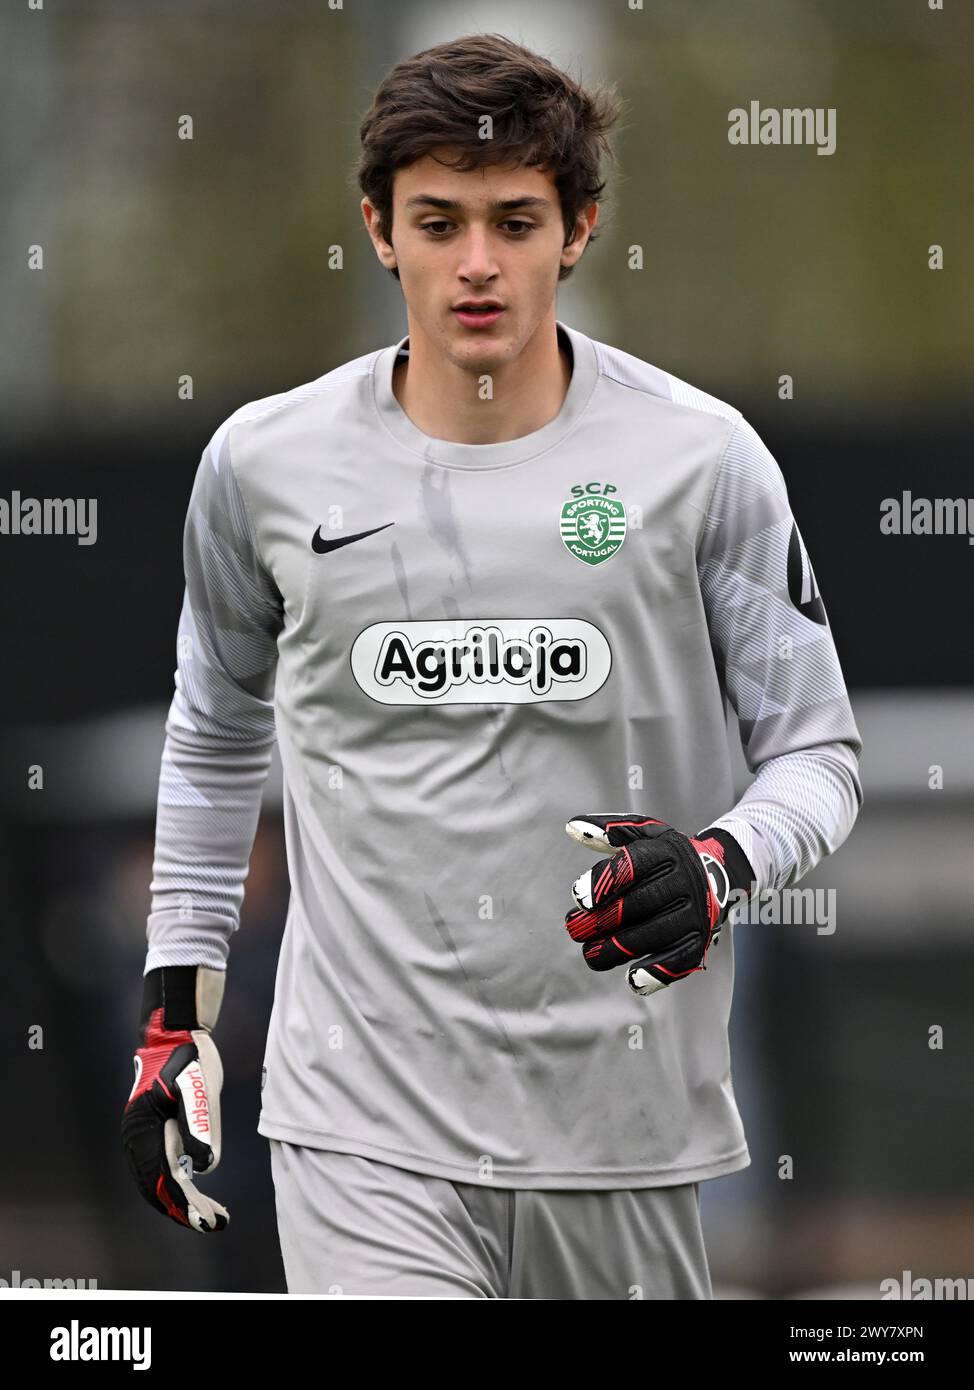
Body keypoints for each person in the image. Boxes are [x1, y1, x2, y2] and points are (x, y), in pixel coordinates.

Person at [121, 32, 862, 1299]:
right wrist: (173, 1019)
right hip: (359, 1132)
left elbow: (819, 753)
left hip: (625, 1141)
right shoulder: (261, 465)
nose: (476, 263)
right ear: (378, 228)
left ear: (576, 230)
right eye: (439, 220)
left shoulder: (704, 459)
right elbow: (212, 737)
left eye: (514, 221)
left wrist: (720, 863)